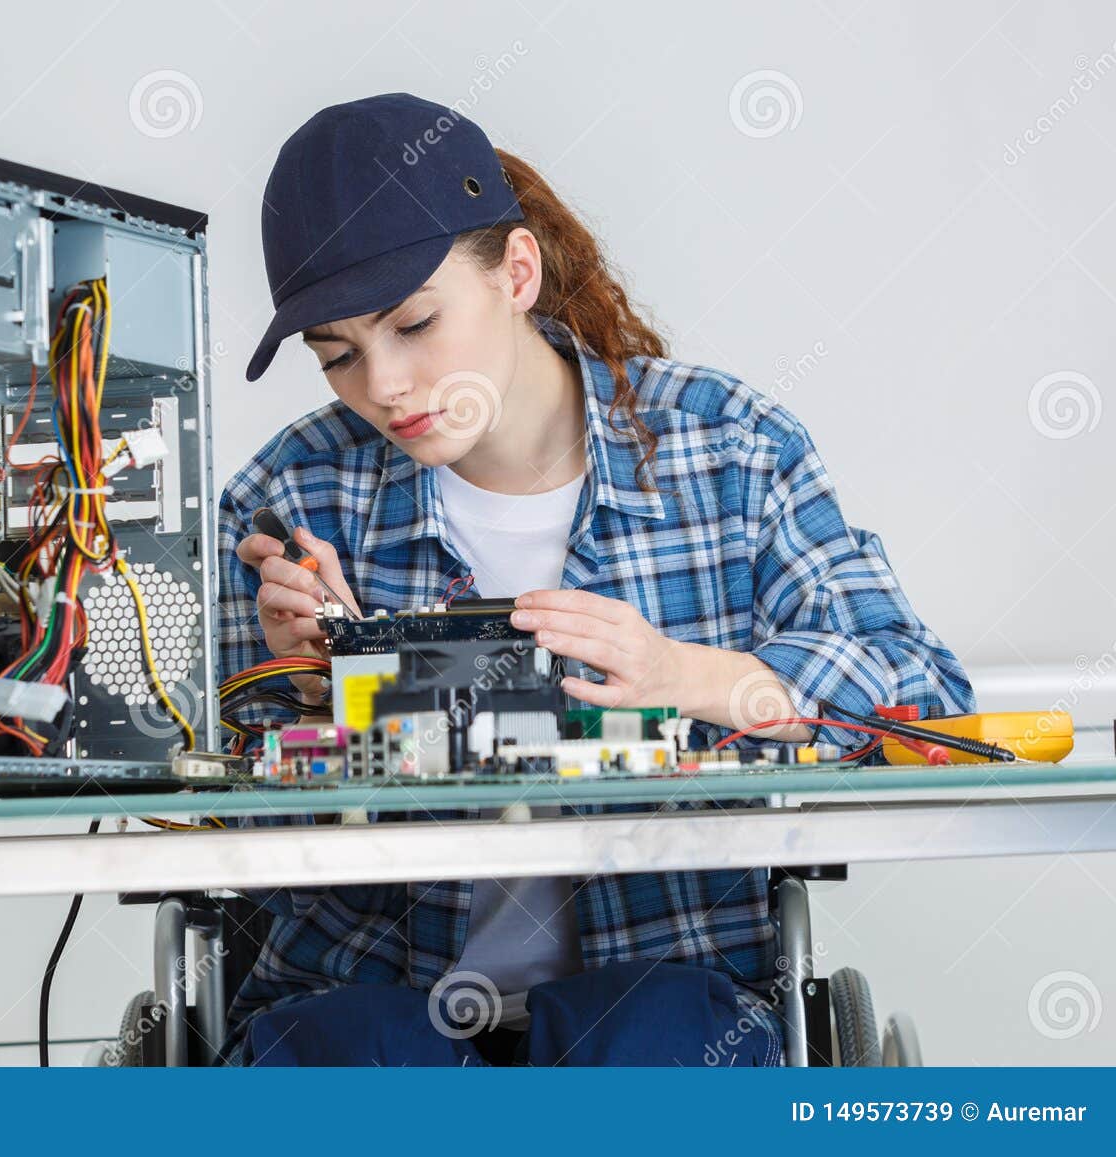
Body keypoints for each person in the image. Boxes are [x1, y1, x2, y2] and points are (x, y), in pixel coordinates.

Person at [213, 93, 973, 1066]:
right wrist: (311, 696)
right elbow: (206, 814)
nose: (385, 386)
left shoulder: (726, 448)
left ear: (515, 271)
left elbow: (918, 691)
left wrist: (681, 674)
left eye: (413, 324)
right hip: (368, 991)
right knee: (351, 1064)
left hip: (671, 990)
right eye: (338, 356)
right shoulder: (296, 493)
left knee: (653, 1047)